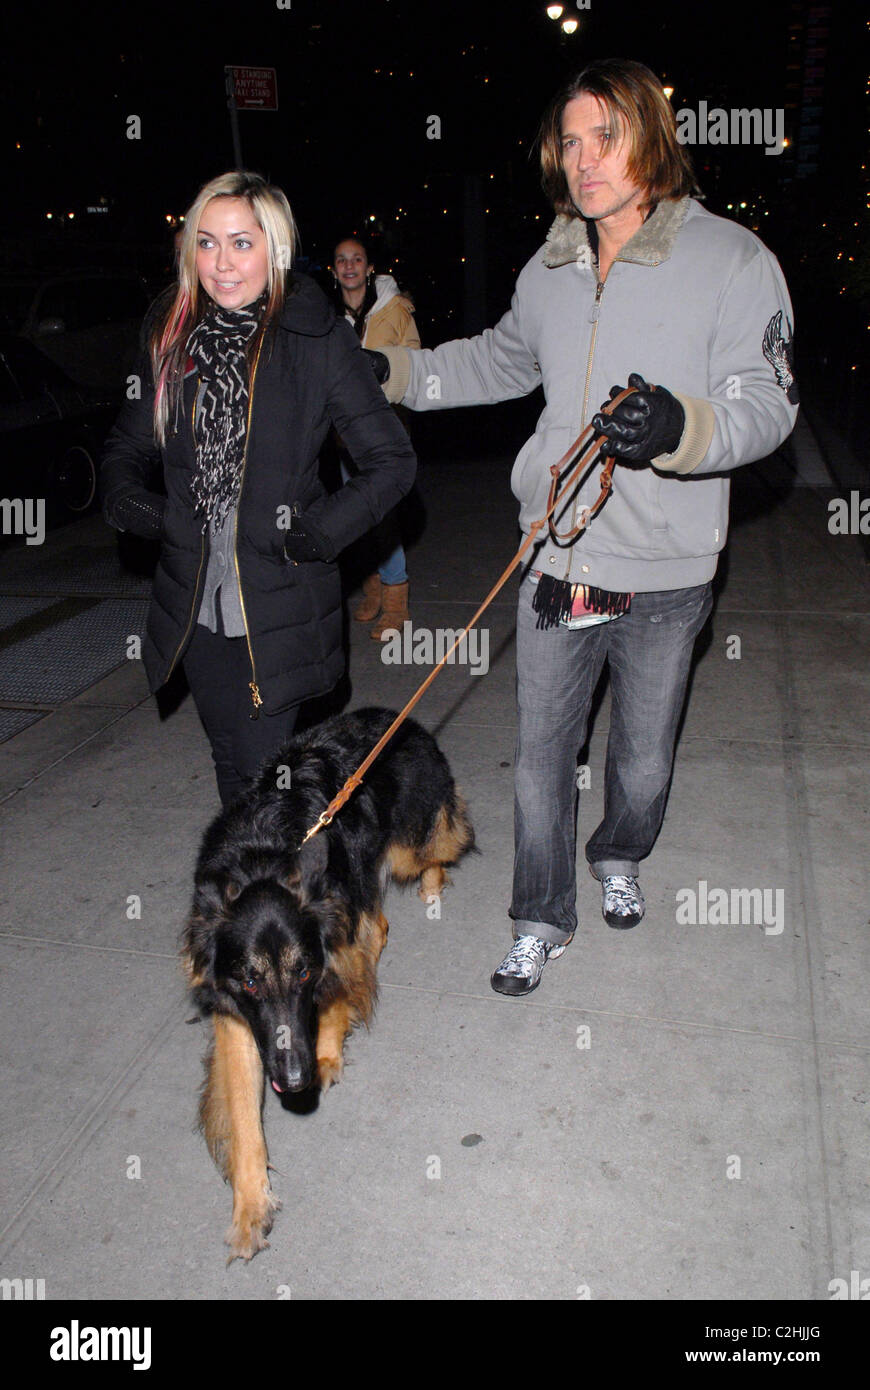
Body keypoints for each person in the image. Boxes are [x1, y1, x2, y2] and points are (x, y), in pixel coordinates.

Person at [370, 58, 798, 996]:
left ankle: (620, 852)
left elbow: (769, 404)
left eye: (606, 136)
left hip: (668, 572)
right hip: (561, 560)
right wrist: (394, 376)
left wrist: (680, 426)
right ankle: (539, 918)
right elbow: (497, 361)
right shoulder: (552, 266)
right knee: (539, 761)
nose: (584, 158)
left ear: (653, 138)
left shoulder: (733, 260)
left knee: (641, 765)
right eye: (570, 141)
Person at [101, 172, 416, 806]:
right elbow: (123, 452)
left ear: (275, 248)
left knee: (261, 780)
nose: (221, 263)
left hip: (277, 605)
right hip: (194, 605)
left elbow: (392, 461)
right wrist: (149, 513)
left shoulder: (314, 339)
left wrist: (316, 534)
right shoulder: (172, 337)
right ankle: (269, 870)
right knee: (234, 766)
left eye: (241, 243)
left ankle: (278, 872)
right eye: (207, 242)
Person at [331, 237, 420, 638]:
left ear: (369, 268)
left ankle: (396, 599)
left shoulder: (394, 308)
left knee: (383, 515)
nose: (349, 266)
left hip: (385, 431)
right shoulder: (329, 318)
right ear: (334, 270)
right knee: (358, 516)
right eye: (342, 260)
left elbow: (414, 360)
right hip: (345, 435)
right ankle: (373, 589)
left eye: (357, 259)